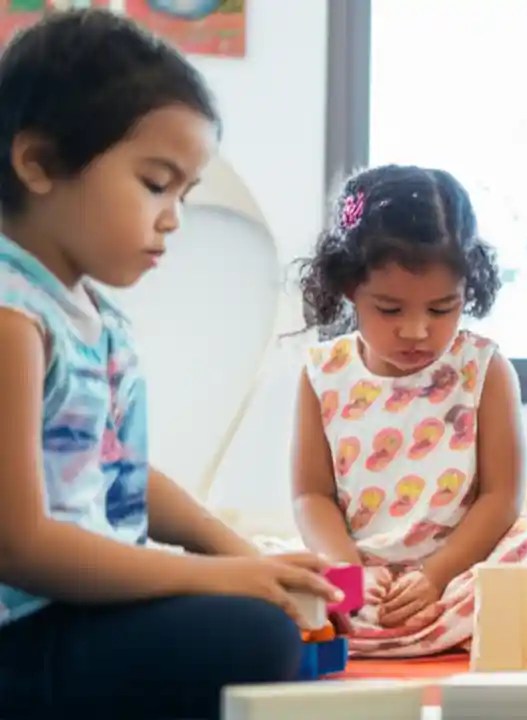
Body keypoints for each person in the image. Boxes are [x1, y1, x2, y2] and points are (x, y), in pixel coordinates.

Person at [0, 10, 342, 720]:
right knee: (254, 638)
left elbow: (118, 468)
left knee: (266, 616)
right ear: (38, 163)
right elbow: (21, 545)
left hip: (73, 611)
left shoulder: (94, 314)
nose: (173, 219)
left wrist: (238, 552)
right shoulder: (12, 315)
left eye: (184, 194)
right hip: (24, 630)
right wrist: (216, 578)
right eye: (156, 184)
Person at [291, 164, 527, 658]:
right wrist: (350, 571)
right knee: (267, 563)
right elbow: (310, 496)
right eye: (389, 309)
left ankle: (406, 628)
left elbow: (501, 496)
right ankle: (404, 628)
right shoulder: (323, 372)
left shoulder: (483, 369)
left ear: (468, 289)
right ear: (348, 289)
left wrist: (436, 574)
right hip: (363, 569)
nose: (416, 331)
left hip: (456, 568)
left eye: (441, 309)